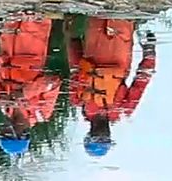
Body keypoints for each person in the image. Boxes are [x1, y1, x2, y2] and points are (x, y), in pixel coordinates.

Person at [66, 17, 156, 158]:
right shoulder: (123, 109)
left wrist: (72, 41)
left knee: (98, 12)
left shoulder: (79, 101)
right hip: (120, 52)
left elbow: (76, 69)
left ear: (90, 135)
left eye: (99, 138)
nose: (104, 135)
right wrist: (149, 54)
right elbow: (141, 81)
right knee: (122, 16)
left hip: (94, 49)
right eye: (106, 139)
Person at [0, 16, 61, 160]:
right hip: (31, 51)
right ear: (22, 134)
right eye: (7, 134)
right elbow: (53, 82)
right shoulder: (42, 113)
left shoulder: (5, 108)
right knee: (35, 14)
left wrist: (0, 94)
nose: (4, 129)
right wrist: (24, 93)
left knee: (12, 8)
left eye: (2, 133)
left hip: (8, 51)